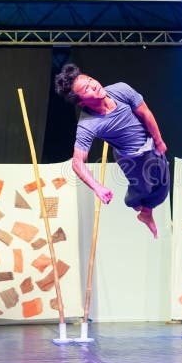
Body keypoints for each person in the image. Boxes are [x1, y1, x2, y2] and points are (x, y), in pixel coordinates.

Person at [54, 63, 169, 238]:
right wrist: (97, 187)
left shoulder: (121, 90)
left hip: (150, 143)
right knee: (144, 187)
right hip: (130, 157)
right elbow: (77, 162)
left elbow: (145, 113)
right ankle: (134, 201)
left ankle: (146, 213)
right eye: (86, 89)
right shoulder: (88, 124)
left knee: (162, 189)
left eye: (91, 80)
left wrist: (159, 140)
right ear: (82, 101)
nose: (94, 85)